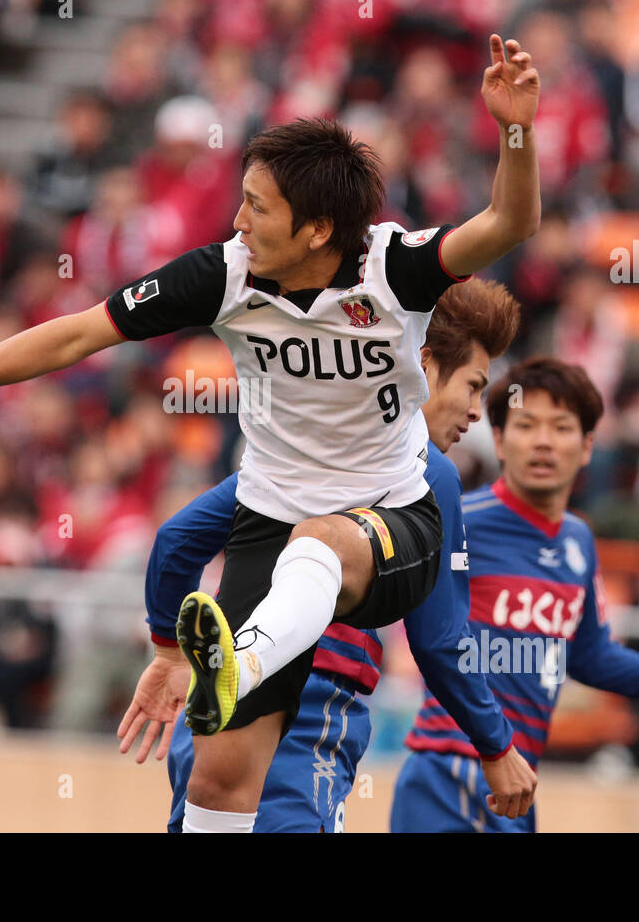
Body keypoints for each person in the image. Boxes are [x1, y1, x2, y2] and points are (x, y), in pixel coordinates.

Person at [0, 35, 541, 831]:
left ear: (319, 230)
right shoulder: (224, 276)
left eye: (258, 207)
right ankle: (235, 667)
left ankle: (240, 661)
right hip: (268, 523)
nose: (238, 219)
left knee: (323, 543)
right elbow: (79, 334)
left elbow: (511, 220)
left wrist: (516, 131)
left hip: (392, 521)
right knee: (219, 787)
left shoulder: (395, 273)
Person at [117, 278, 533, 831]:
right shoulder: (431, 472)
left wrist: (169, 651)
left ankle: (235, 670)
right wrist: (497, 744)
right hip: (306, 721)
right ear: (424, 367)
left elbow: (175, 540)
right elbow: (439, 642)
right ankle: (245, 668)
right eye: (474, 386)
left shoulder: (306, 449)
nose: (476, 412)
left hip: (209, 735)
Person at [392, 358, 639, 832]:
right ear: (498, 440)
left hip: (519, 780)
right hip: (451, 764)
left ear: (586, 448)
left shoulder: (578, 541)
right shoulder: (461, 520)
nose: (543, 441)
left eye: (561, 427)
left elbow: (589, 655)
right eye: (526, 425)